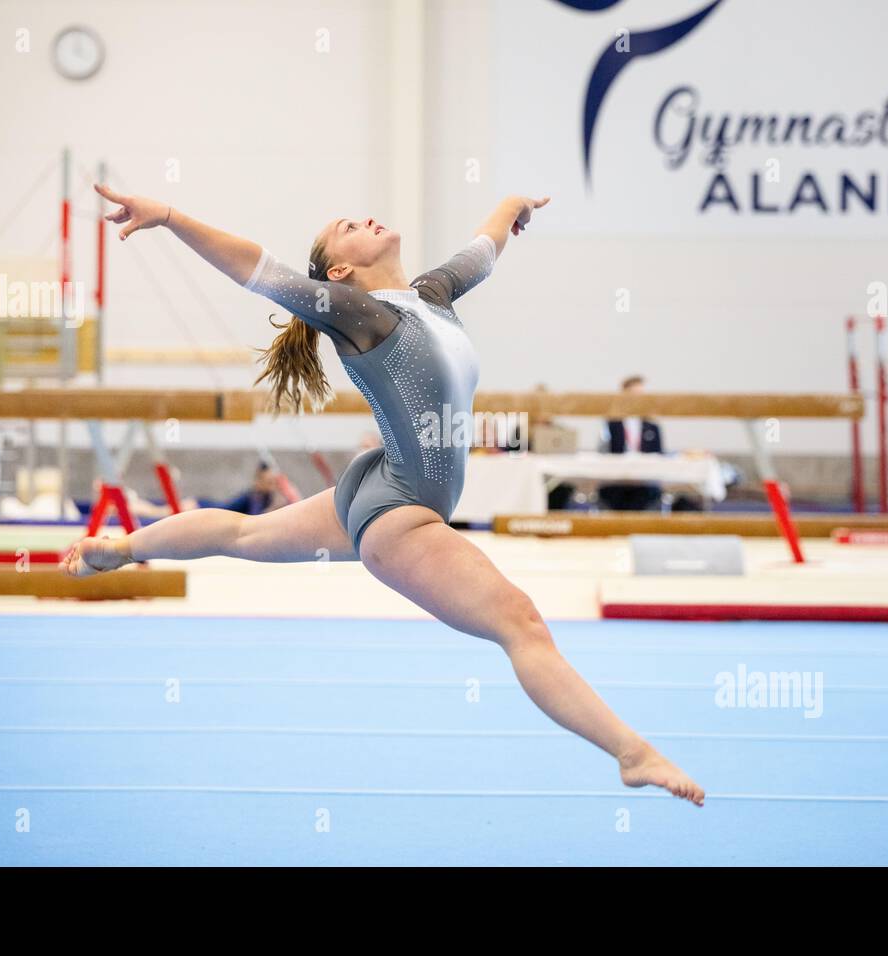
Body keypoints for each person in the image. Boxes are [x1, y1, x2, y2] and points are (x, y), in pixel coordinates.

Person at [60, 183, 704, 805]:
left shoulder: (433, 294)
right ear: (338, 272)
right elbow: (256, 268)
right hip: (402, 514)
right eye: (347, 227)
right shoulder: (360, 313)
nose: (365, 219)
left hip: (384, 482)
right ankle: (630, 753)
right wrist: (170, 215)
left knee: (245, 534)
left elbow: (483, 247)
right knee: (522, 624)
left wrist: (514, 206)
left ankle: (120, 548)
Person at [596, 374, 664, 511]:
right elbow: (603, 452)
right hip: (616, 482)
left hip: (644, 482)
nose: (638, 399)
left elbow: (659, 455)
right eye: (634, 394)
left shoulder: (652, 426)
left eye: (641, 395)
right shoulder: (611, 424)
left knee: (646, 496)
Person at [220, 462, 288, 515]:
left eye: (274, 482)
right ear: (258, 480)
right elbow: (255, 517)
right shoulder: (252, 497)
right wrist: (273, 508)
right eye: (269, 482)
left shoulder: (272, 497)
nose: (273, 486)